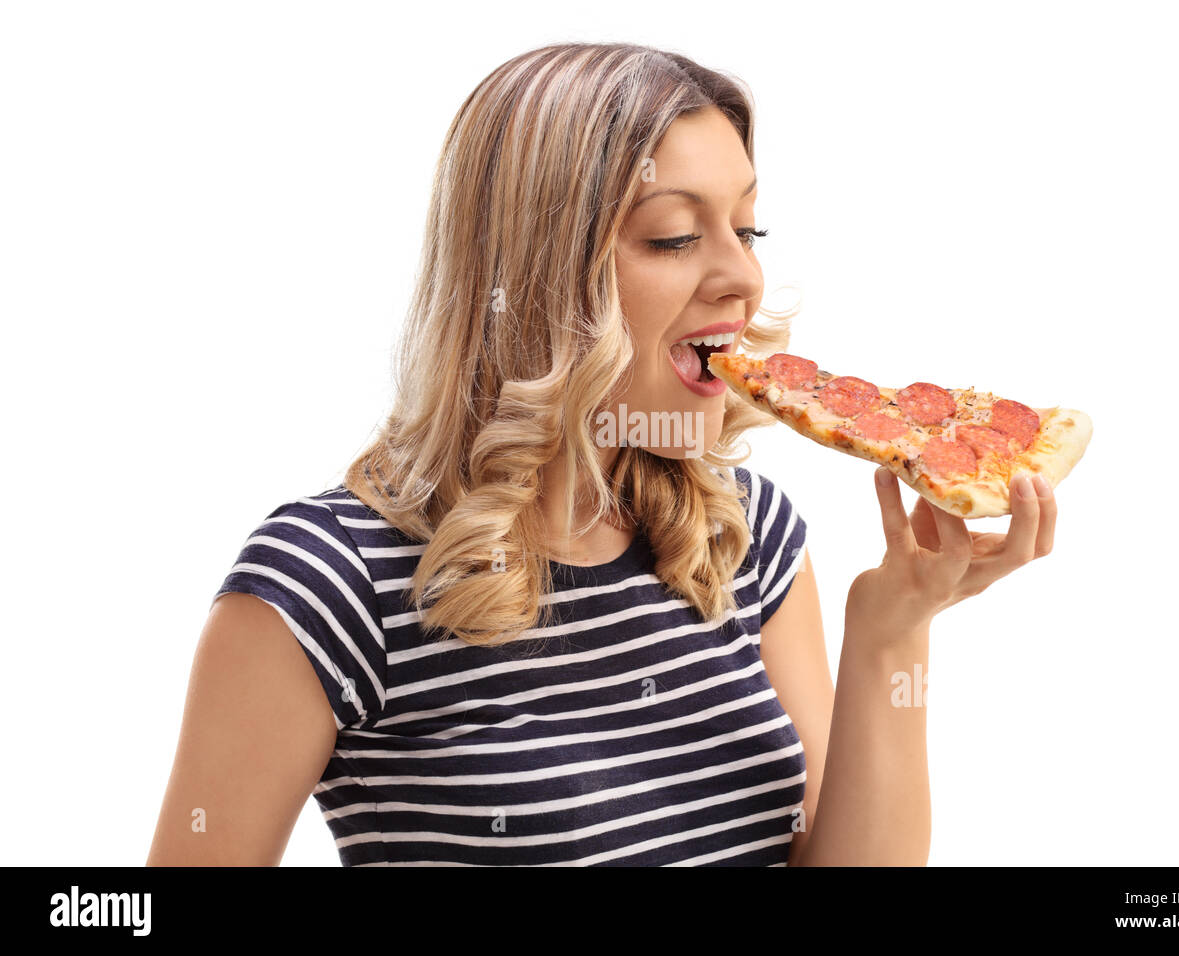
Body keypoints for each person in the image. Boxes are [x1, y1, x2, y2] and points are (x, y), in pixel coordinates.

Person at [147, 41, 1056, 867]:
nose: (743, 276)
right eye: (673, 235)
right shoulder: (330, 580)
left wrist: (895, 630)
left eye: (748, 228)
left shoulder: (748, 533)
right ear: (538, 272)